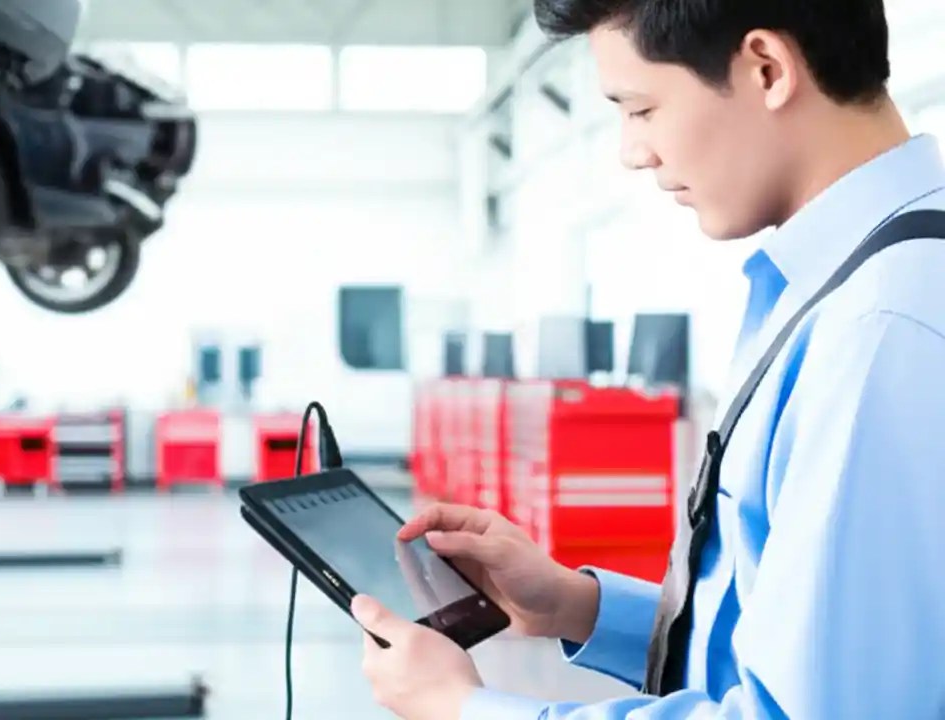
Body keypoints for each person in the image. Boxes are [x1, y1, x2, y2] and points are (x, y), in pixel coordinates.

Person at [350, 0, 945, 718]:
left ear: (766, 69)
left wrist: (465, 709)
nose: (634, 151)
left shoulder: (880, 327)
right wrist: (578, 606)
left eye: (640, 109)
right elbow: (797, 654)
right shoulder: (842, 285)